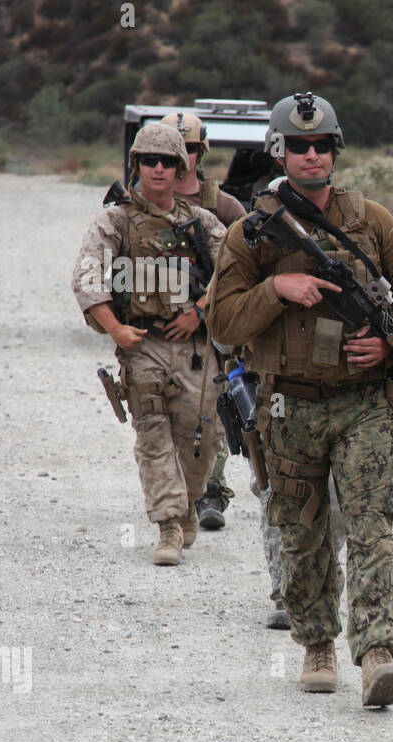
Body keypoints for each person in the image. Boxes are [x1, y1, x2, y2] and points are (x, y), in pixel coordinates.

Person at [207, 92, 393, 707]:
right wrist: (277, 286)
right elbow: (223, 324)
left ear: (336, 151)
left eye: (322, 145)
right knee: (301, 532)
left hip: (363, 401)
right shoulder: (250, 232)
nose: (312, 156)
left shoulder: (372, 220)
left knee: (371, 525)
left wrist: (391, 343)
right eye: (300, 146)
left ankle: (378, 651)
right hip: (288, 406)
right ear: (280, 150)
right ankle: (316, 643)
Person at [72, 123, 226, 565]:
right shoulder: (115, 220)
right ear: (136, 164)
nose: (157, 169)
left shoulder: (201, 223)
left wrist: (199, 311)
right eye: (149, 161)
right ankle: (169, 525)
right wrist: (115, 330)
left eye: (167, 162)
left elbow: (234, 270)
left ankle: (189, 502)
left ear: (181, 168)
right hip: (142, 344)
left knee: (201, 439)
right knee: (153, 434)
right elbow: (87, 278)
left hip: (195, 347)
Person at [161, 111, 248, 532]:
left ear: (201, 152)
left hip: (213, 323)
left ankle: (211, 491)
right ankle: (172, 494)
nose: (181, 158)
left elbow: (245, 263)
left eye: (190, 149)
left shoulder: (223, 206)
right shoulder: (142, 205)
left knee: (213, 405)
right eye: (172, 151)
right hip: (162, 324)